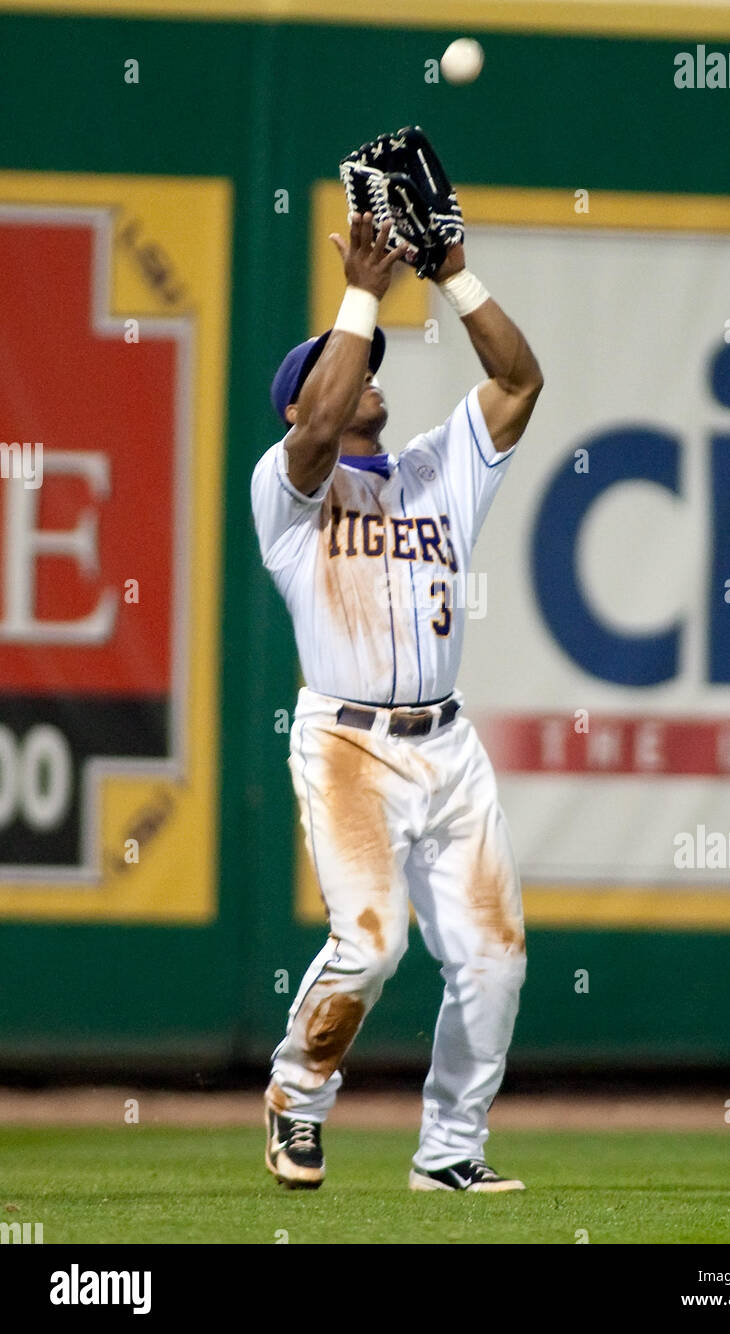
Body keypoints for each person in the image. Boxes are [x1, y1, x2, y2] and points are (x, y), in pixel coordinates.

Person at [251, 208, 543, 1192]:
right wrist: (363, 291)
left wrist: (455, 276)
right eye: (342, 365)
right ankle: (296, 1096)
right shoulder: (287, 491)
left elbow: (518, 382)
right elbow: (321, 424)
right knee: (370, 948)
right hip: (348, 747)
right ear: (298, 403)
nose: (363, 371)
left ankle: (450, 1150)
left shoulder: (434, 469)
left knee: (494, 963)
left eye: (368, 358)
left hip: (447, 746)